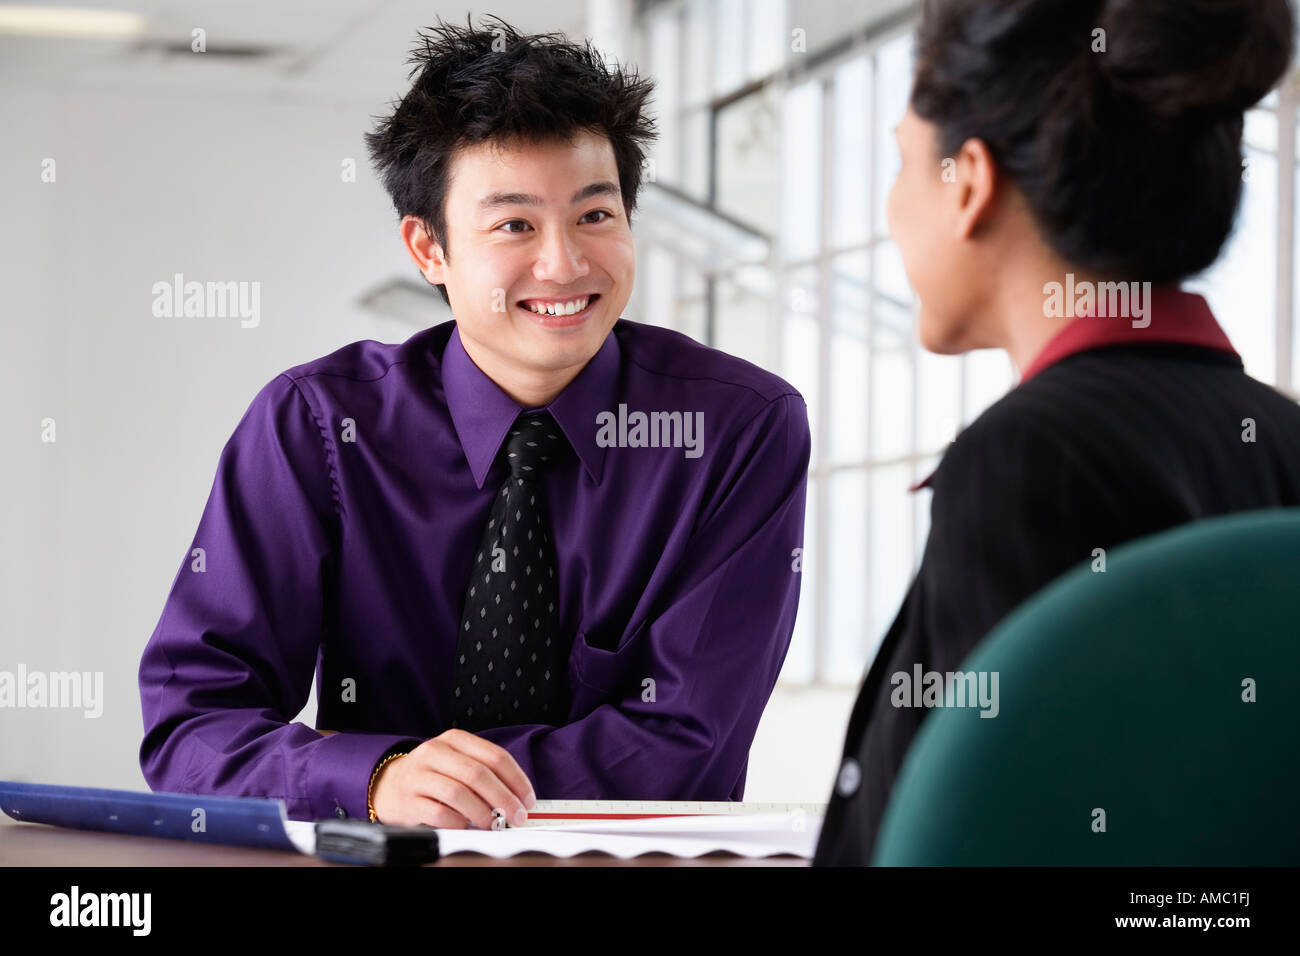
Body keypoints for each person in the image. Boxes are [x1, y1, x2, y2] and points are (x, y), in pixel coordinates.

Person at [138, 17, 810, 829]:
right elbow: (193, 727)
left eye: (595, 216)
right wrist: (377, 777)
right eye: (514, 225)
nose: (563, 264)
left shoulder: (735, 429)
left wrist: (442, 789)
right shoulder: (316, 424)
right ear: (429, 250)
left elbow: (686, 739)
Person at [815, 0, 1300, 865]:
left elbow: (990, 837)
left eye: (901, 163)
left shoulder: (1024, 463)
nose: (893, 207)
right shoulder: (1284, 434)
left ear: (968, 183)